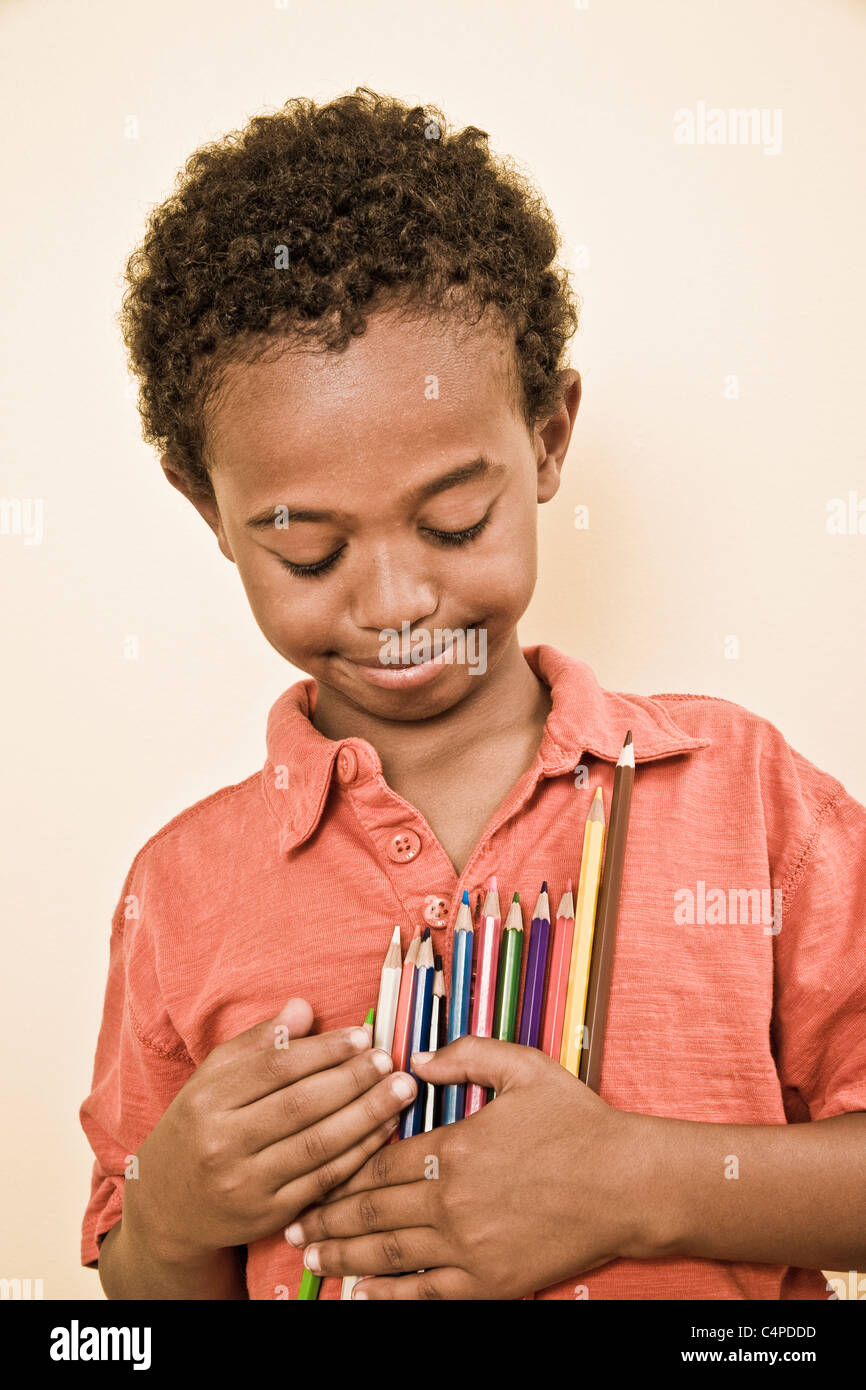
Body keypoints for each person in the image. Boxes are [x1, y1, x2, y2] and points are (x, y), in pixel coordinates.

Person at [80, 87, 866, 1300]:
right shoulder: (178, 891)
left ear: (549, 439)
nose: (395, 600)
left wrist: (634, 1184)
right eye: (310, 551)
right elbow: (134, 1304)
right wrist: (175, 1219)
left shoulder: (746, 798)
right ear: (210, 515)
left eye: (453, 519)